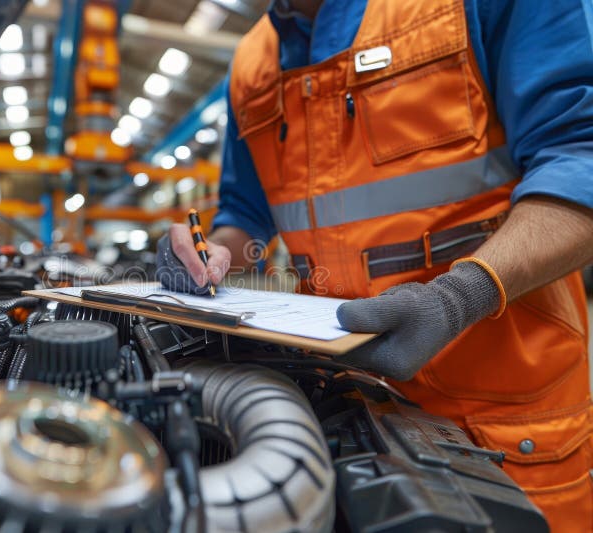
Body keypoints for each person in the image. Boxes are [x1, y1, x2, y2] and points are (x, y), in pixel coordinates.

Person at [155, 0, 593, 530]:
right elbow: (245, 216)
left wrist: (458, 298)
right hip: (343, 398)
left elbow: (580, 161)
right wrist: (208, 254)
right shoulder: (252, 61)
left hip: (503, 427)